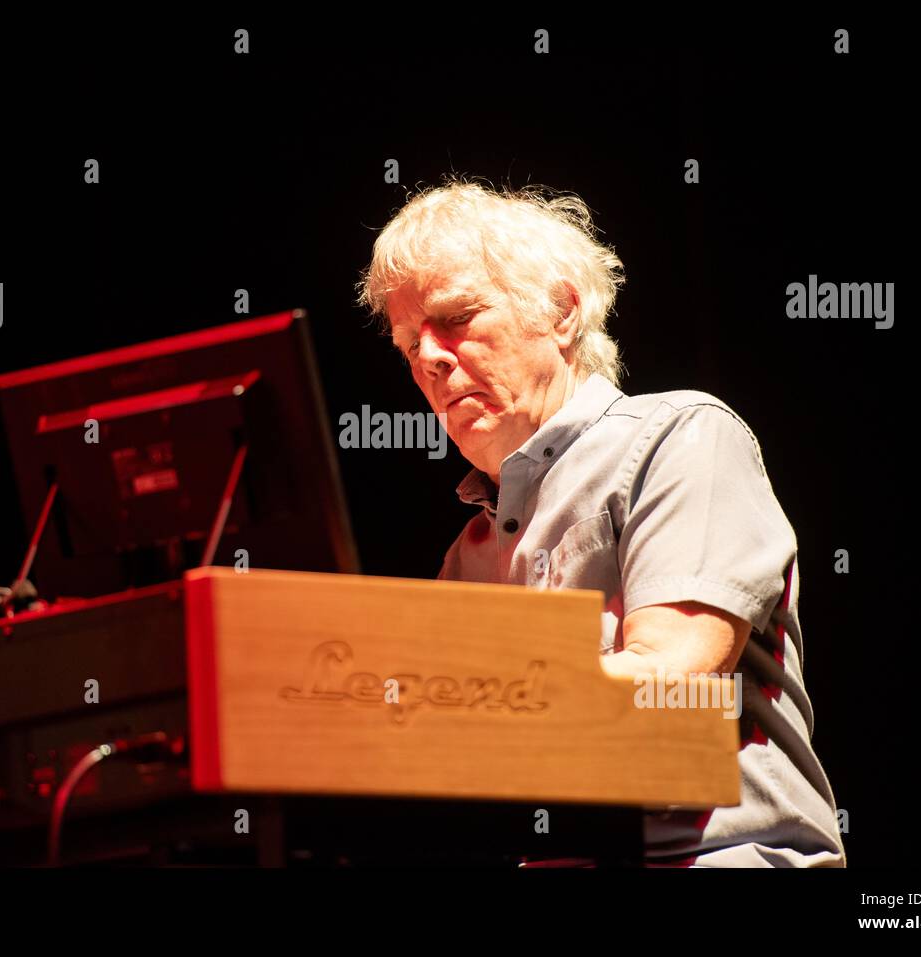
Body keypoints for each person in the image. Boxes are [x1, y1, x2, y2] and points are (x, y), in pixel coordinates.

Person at [355, 178, 846, 867]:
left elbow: (669, 678)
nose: (429, 359)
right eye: (409, 344)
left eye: (457, 317)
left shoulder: (684, 436)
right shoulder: (465, 557)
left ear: (562, 310)